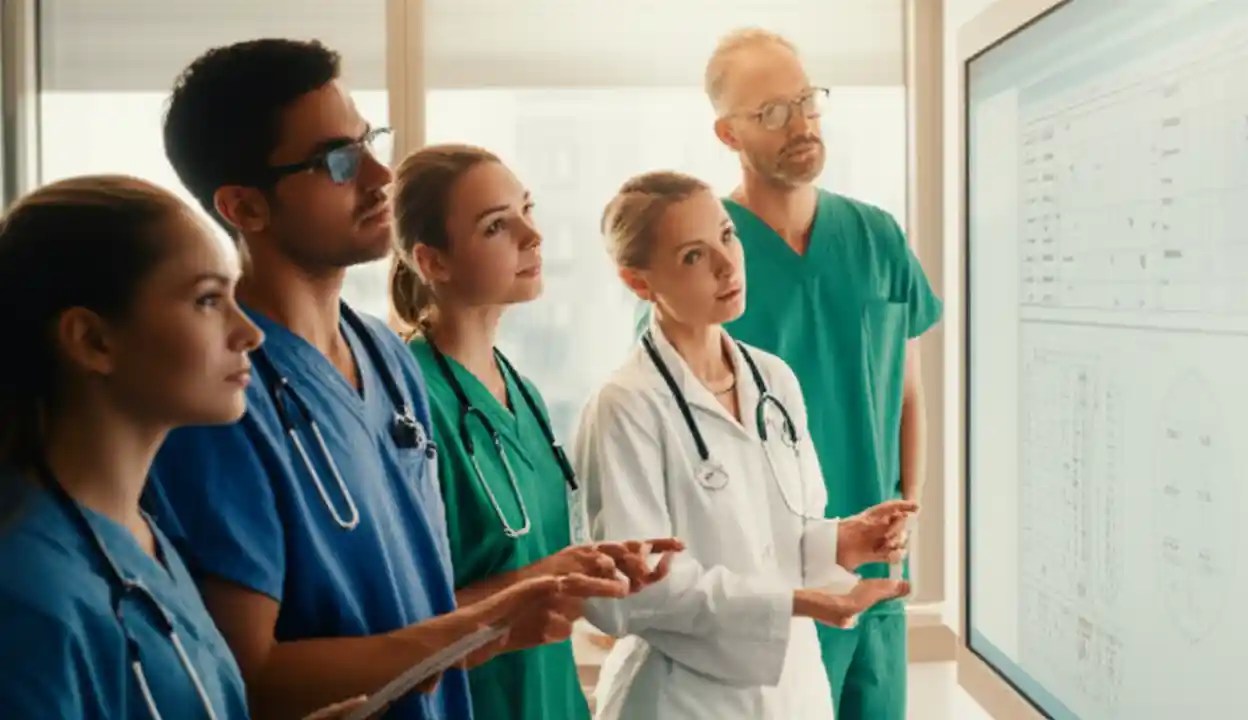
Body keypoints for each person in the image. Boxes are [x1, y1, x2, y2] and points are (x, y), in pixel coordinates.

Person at [141, 40, 628, 720]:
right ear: (244, 207)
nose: (380, 176)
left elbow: (420, 605)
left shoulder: (388, 360)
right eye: (338, 160)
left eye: (370, 142)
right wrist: (476, 628)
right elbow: (249, 676)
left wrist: (528, 592)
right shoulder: (219, 397)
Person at [0, 175, 363, 719]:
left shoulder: (142, 539)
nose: (250, 333)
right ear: (93, 341)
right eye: (208, 300)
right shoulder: (26, 593)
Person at [576, 170, 918, 720]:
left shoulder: (773, 381)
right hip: (680, 700)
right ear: (639, 282)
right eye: (693, 256)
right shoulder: (627, 406)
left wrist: (845, 541)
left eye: (727, 237)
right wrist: (797, 602)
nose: (726, 264)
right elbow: (628, 594)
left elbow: (781, 539)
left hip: (792, 692)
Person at [388, 143, 685, 720]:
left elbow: (536, 564)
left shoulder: (522, 391)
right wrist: (543, 576)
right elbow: (403, 623)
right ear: (433, 262)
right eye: (497, 225)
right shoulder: (408, 403)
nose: (533, 236)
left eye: (528, 210)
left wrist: (588, 566)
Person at [703, 28, 944, 719]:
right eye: (772, 111)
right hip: (770, 582)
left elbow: (907, 391)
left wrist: (907, 510)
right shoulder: (706, 255)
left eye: (806, 100)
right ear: (728, 133)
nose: (801, 123)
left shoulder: (878, 237)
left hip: (877, 570)